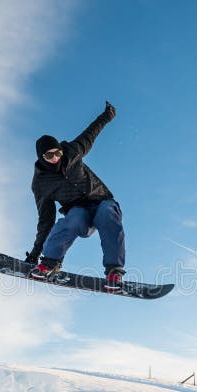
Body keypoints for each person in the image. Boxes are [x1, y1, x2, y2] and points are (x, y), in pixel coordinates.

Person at [25, 101, 126, 290]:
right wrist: (36, 252)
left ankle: (114, 271)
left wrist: (107, 116)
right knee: (72, 220)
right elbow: (46, 220)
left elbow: (90, 133)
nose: (55, 157)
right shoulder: (40, 184)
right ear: (41, 158)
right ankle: (50, 263)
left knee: (108, 212)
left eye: (57, 152)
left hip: (101, 202)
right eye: (49, 155)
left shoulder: (72, 152)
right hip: (79, 214)